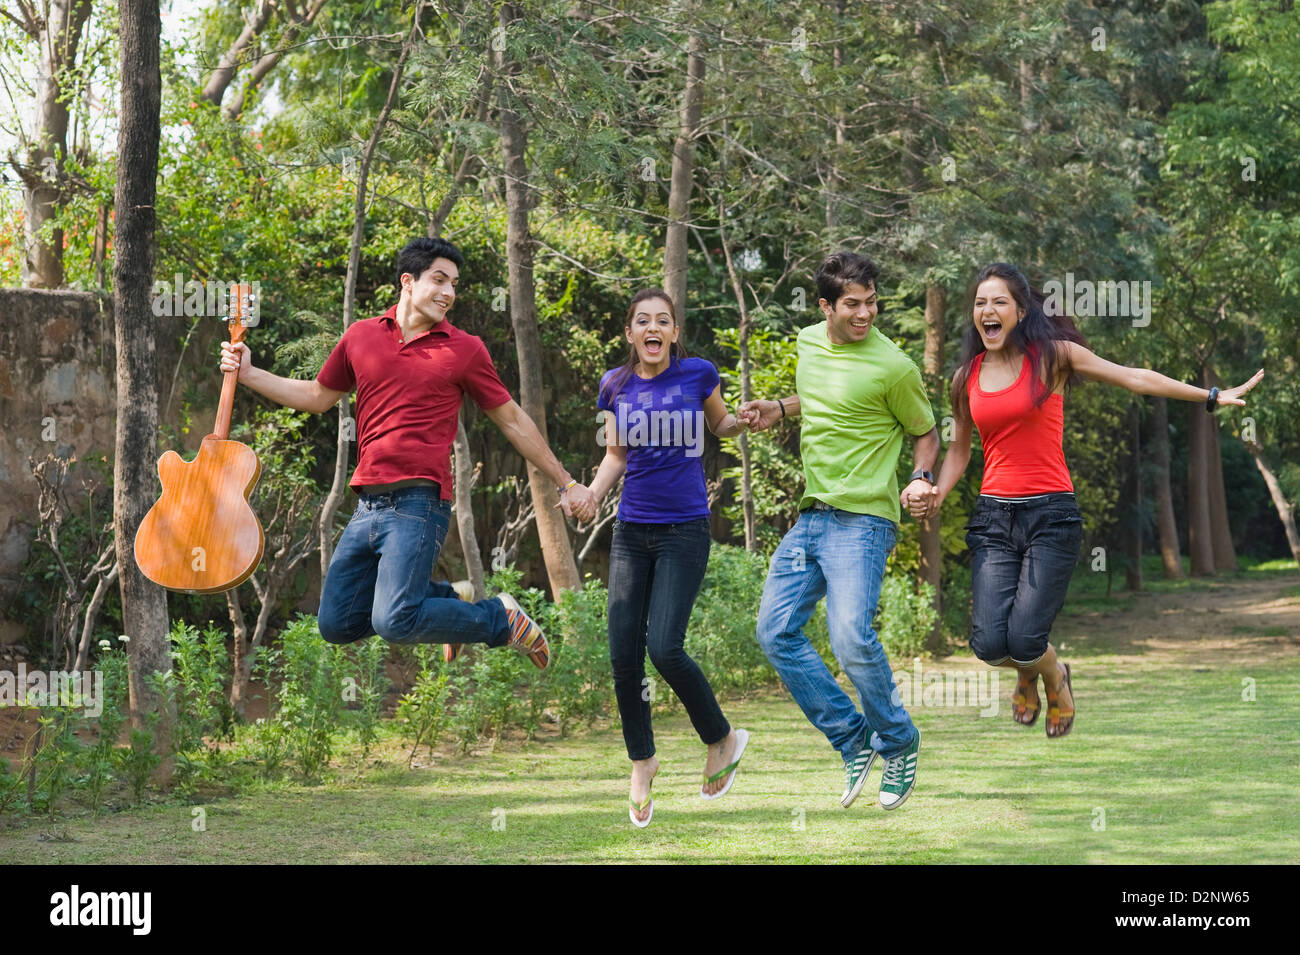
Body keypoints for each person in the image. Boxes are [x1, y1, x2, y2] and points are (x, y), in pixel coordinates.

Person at [918, 262, 1264, 738]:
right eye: (980, 303)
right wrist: (937, 490)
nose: (988, 311)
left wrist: (1209, 396)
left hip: (1050, 515)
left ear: (1020, 311)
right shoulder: (966, 378)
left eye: (999, 301)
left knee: (1024, 639)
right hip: (994, 517)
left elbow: (1134, 377)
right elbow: (959, 450)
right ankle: (1031, 667)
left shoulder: (1053, 357)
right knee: (988, 644)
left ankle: (1053, 676)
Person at [219, 237, 596, 666]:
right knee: (336, 623)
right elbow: (319, 395)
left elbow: (511, 419)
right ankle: (448, 600)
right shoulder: (362, 336)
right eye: (439, 280)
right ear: (407, 281)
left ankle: (501, 620)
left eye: (454, 284)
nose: (449, 293)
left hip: (419, 501)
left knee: (394, 619)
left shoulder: (463, 349)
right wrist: (249, 374)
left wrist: (565, 481)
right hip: (367, 505)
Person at [738, 251, 938, 811]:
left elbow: (925, 433)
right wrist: (782, 406)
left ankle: (898, 741)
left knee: (850, 638)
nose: (865, 313)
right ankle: (853, 739)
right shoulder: (807, 343)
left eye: (872, 302)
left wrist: (921, 479)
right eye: (853, 303)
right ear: (825, 306)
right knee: (774, 632)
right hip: (813, 517)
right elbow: (832, 400)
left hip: (865, 519)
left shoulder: (894, 366)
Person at [575, 288, 750, 828]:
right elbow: (615, 455)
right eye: (642, 321)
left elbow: (719, 424)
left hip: (685, 530)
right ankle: (642, 760)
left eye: (664, 321)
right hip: (632, 531)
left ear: (674, 333)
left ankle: (721, 738)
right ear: (630, 333)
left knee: (666, 647)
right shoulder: (614, 385)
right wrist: (591, 494)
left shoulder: (698, 373)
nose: (653, 328)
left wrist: (743, 419)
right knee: (623, 653)